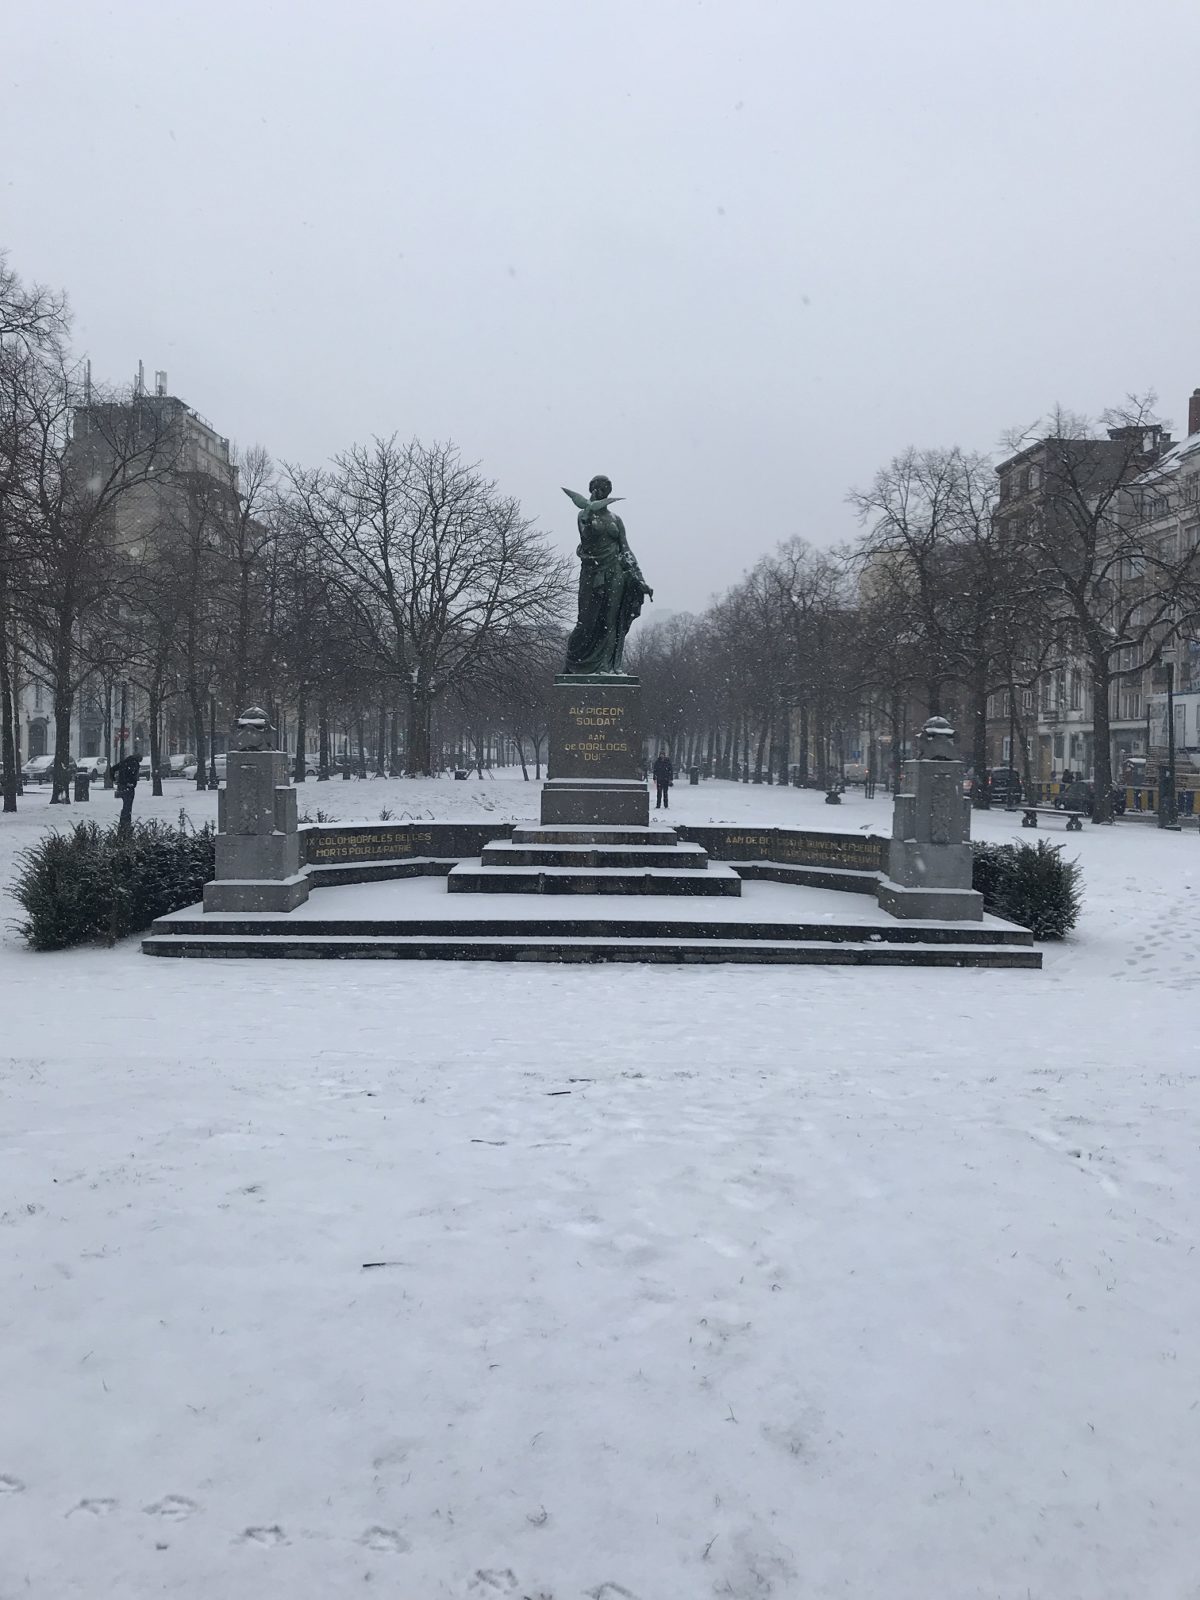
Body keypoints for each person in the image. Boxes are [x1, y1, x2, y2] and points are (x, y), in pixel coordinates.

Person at [561, 476, 653, 674]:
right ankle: (575, 663)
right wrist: (588, 511)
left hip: (615, 572)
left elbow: (626, 550)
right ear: (591, 489)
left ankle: (607, 667)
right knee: (587, 621)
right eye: (597, 488)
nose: (601, 491)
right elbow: (586, 535)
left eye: (605, 488)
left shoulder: (616, 520)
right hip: (592, 573)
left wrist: (640, 579)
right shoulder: (583, 515)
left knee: (610, 620)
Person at [112, 745, 142, 835]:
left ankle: (123, 824)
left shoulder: (125, 762)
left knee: (126, 806)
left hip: (123, 786)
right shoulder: (134, 763)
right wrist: (129, 783)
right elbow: (132, 776)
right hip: (129, 788)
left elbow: (112, 769)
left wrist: (116, 781)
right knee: (128, 806)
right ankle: (126, 825)